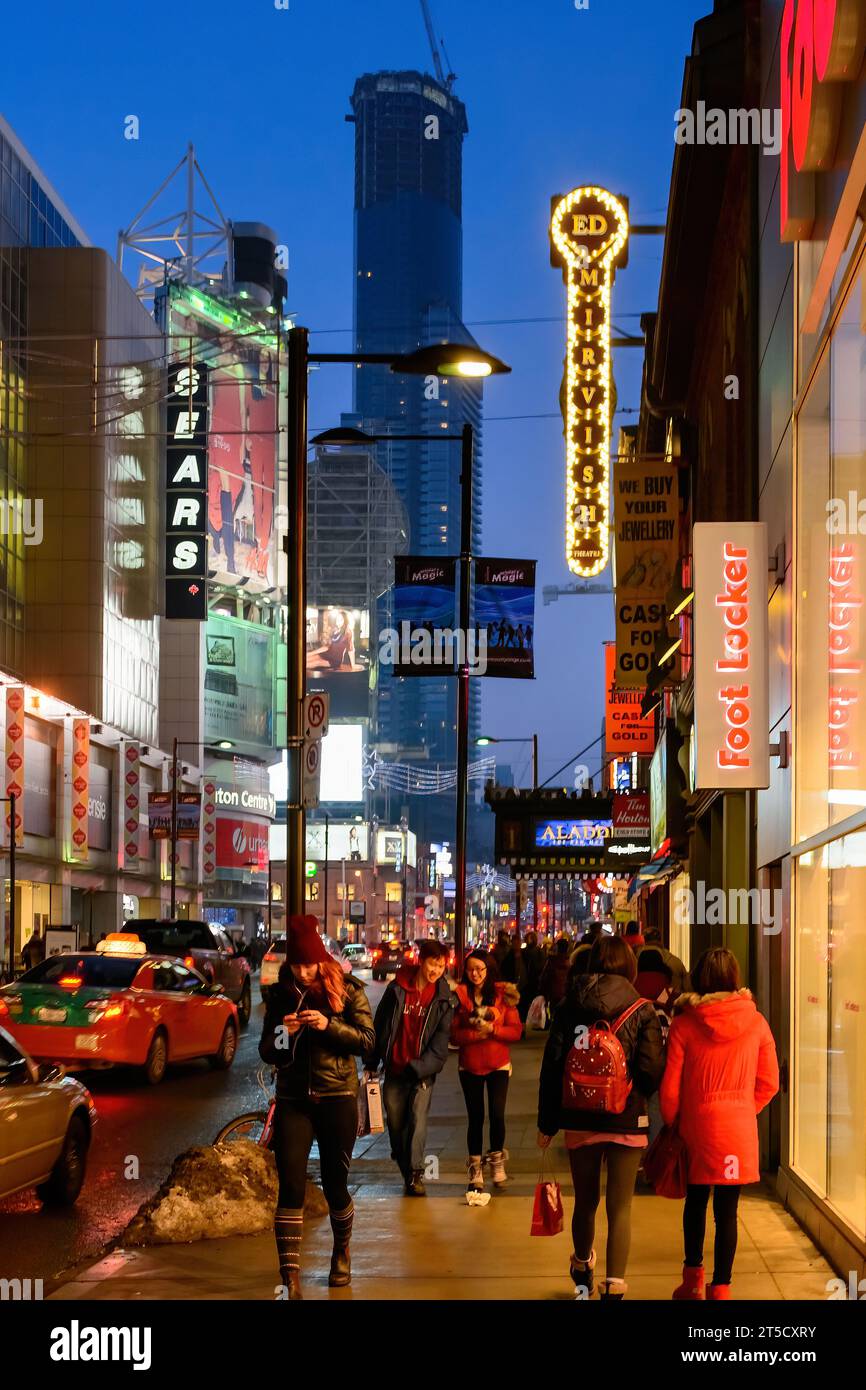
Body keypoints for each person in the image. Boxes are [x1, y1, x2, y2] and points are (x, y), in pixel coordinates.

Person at [537, 936, 664, 1300]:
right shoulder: (642, 1009)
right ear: (629, 966)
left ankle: (581, 1268)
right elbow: (652, 1070)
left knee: (587, 1200)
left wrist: (547, 1123)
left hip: (579, 1118)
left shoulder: (569, 1007)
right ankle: (615, 1285)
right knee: (620, 1206)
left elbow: (553, 1067)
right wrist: (631, 1093)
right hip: (627, 1120)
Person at [258, 914, 374, 1300]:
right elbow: (266, 1052)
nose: (304, 971)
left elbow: (367, 1041)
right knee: (290, 1185)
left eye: (310, 963)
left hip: (337, 1097)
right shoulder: (279, 996)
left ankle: (341, 1251)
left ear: (323, 960)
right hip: (294, 1100)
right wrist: (282, 1033)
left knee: (335, 1184)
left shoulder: (350, 990)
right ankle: (290, 1278)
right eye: (297, 964)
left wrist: (328, 1026)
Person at [661, 947, 779, 1301]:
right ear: (735, 977)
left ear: (698, 978)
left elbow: (670, 1089)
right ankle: (722, 1288)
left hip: (697, 1127)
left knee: (695, 1202)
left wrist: (674, 1123)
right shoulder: (756, 1022)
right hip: (738, 1129)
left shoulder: (685, 1023)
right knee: (728, 1211)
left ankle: (692, 1280)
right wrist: (744, 1108)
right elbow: (770, 1082)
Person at [367, 938, 455, 1196]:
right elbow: (380, 1025)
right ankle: (406, 1164)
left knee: (417, 1122)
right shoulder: (397, 989)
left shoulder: (443, 999)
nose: (436, 970)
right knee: (395, 1125)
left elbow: (440, 1046)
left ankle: (415, 1175)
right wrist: (371, 1062)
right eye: (432, 964)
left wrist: (419, 1068)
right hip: (394, 1069)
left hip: (421, 1074)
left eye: (441, 966)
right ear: (421, 961)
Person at [451, 951, 522, 1191]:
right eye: (471, 969)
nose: (476, 974)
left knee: (497, 1115)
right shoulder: (458, 996)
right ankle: (475, 1169)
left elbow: (516, 1031)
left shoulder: (504, 994)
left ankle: (497, 1163)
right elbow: (452, 1035)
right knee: (475, 1117)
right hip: (469, 1065)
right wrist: (474, 1035)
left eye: (480, 969)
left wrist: (493, 1031)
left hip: (498, 1065)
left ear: (489, 969)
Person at [642, 926, 690, 993]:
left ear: (644, 939)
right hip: (670, 1001)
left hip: (641, 1002)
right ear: (660, 940)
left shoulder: (634, 960)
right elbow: (687, 989)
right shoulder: (675, 961)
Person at [539, 937, 572, 1017]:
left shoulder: (551, 960)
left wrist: (542, 990)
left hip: (553, 991)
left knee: (553, 1011)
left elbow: (544, 976)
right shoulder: (570, 962)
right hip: (566, 992)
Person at [519, 930, 545, 1022]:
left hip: (534, 980)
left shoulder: (538, 951)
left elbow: (541, 966)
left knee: (532, 1000)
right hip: (527, 980)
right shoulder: (524, 951)